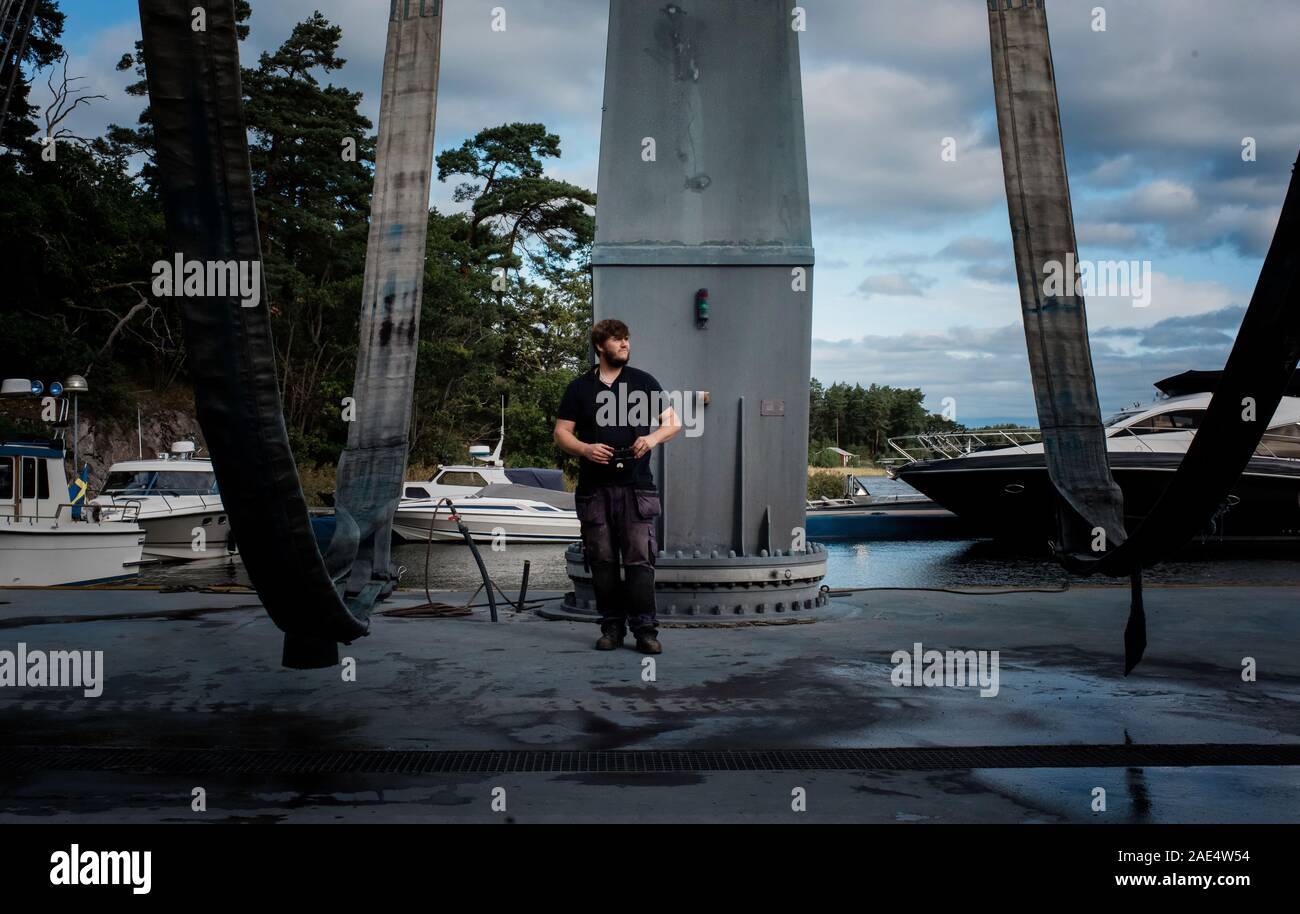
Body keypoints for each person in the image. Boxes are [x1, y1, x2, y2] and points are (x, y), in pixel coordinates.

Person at [554, 319, 681, 653]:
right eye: (617, 340)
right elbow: (561, 433)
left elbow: (673, 423)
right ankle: (611, 628)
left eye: (627, 339)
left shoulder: (643, 382)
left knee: (640, 560)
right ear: (600, 346)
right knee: (603, 561)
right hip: (595, 489)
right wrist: (585, 448)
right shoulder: (579, 388)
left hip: (637, 487)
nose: (625, 344)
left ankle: (645, 632)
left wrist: (651, 438)